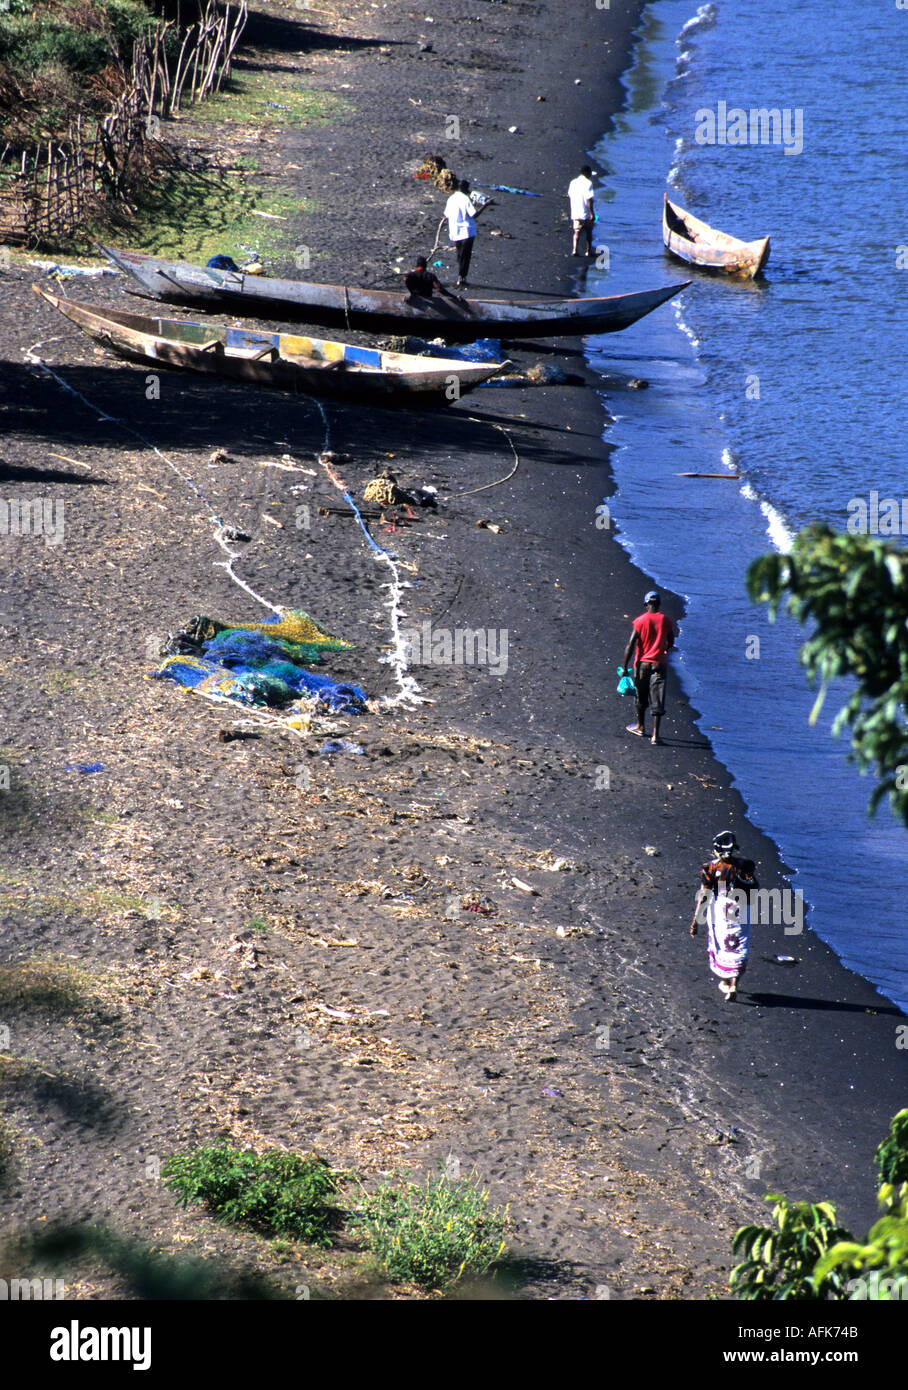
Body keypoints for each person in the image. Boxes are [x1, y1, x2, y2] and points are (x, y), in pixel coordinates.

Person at [689, 831, 759, 1002]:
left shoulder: (710, 868)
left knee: (722, 944)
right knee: (738, 944)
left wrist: (696, 920)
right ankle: (735, 983)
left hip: (720, 910)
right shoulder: (745, 865)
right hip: (740, 909)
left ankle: (725, 982)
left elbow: (705, 896)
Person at [622, 589, 675, 745]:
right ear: (658, 604)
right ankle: (655, 735)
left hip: (642, 665)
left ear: (646, 604)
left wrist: (624, 666)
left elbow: (630, 645)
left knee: (641, 696)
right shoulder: (666, 621)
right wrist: (666, 649)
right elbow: (671, 640)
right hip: (659, 664)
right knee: (657, 699)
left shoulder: (640, 621)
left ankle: (640, 726)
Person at [442, 179, 493, 287]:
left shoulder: (451, 198)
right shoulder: (465, 199)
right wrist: (486, 205)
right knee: (466, 255)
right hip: (467, 231)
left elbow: (446, 214)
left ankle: (460, 276)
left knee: (460, 254)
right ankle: (462, 278)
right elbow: (474, 215)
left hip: (455, 230)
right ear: (465, 188)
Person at [567, 164, 595, 257]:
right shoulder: (588, 183)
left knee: (577, 231)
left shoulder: (573, 182)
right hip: (585, 212)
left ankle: (574, 249)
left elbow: (570, 195)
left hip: (575, 211)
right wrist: (592, 213)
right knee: (589, 231)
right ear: (587, 173)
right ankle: (588, 251)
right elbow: (589, 199)